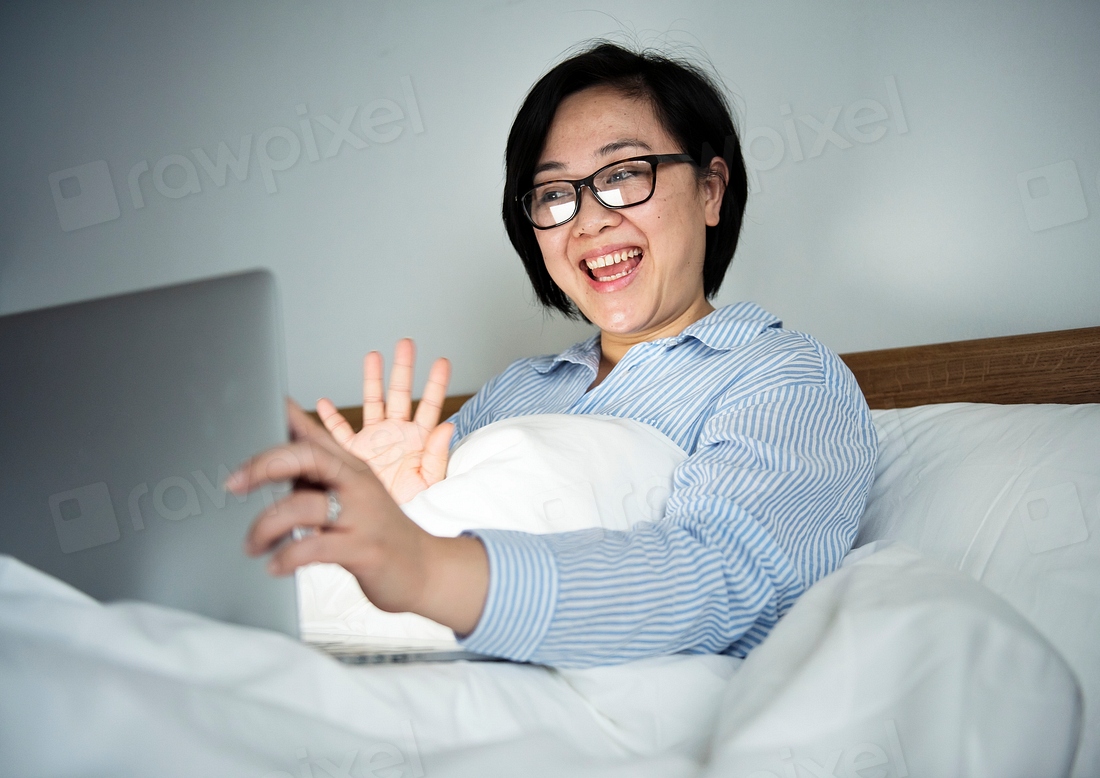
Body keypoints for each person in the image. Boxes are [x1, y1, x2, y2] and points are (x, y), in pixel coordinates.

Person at [225, 42, 878, 668]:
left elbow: (723, 578)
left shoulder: (785, 376)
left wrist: (426, 566)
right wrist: (397, 507)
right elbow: (414, 542)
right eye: (556, 194)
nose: (588, 222)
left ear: (710, 190)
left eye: (624, 175)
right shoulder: (518, 391)